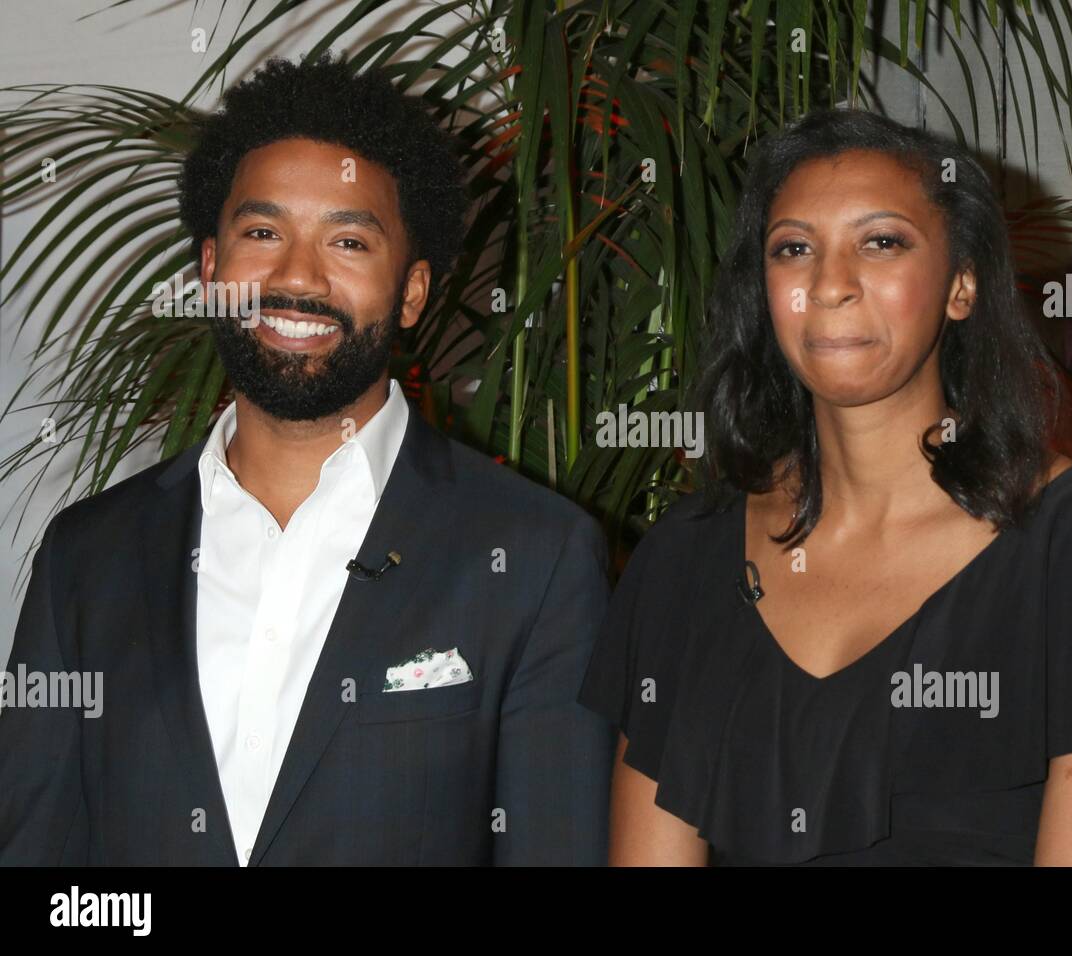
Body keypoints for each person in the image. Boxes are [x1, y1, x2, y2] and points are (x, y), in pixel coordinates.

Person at [0, 51, 614, 866]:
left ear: (413, 290)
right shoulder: (86, 557)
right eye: (262, 232)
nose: (296, 277)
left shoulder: (537, 558)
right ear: (211, 267)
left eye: (350, 241)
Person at [577, 106, 1072, 866]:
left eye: (881, 242)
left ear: (961, 285)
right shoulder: (683, 560)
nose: (830, 284)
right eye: (794, 249)